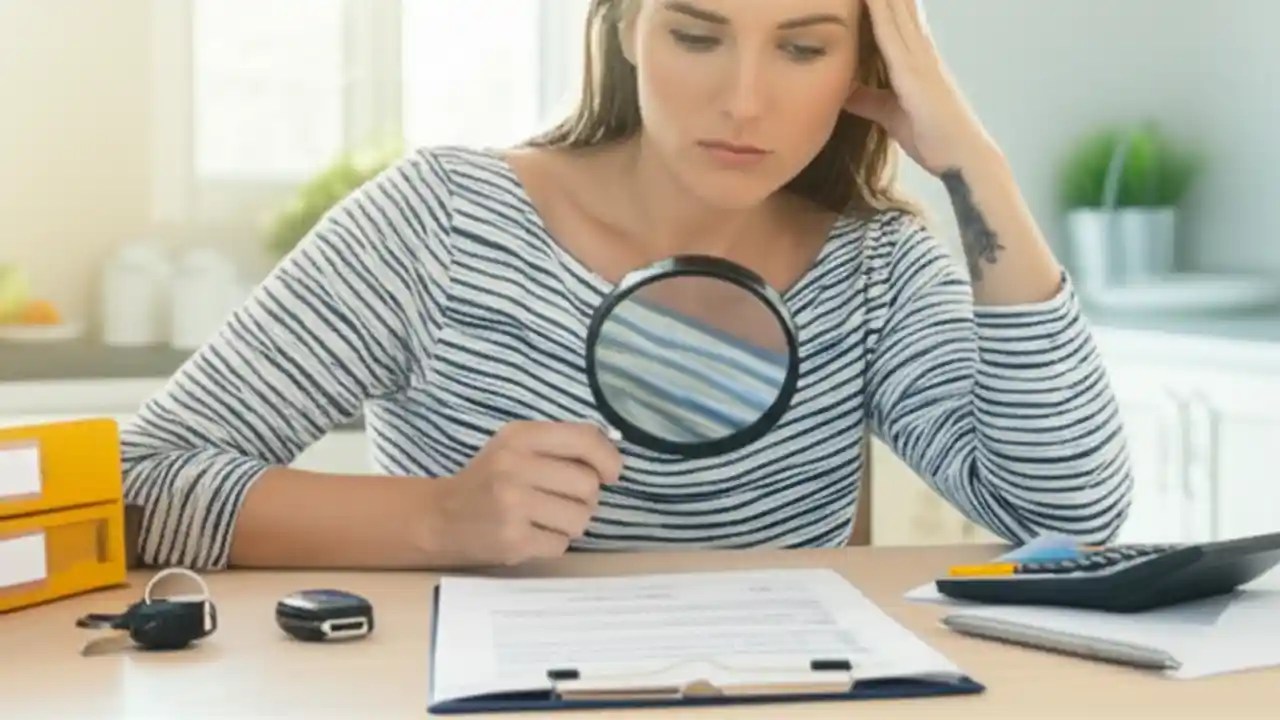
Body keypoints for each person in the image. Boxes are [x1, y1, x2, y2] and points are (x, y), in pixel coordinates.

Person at [120, 0, 1134, 571]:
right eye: (696, 32)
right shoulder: (443, 220)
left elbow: (1068, 513)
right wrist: (433, 521)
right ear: (624, 27)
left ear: (863, 66)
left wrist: (974, 168)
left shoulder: (873, 266)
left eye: (802, 45)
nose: (742, 99)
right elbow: (132, 485)